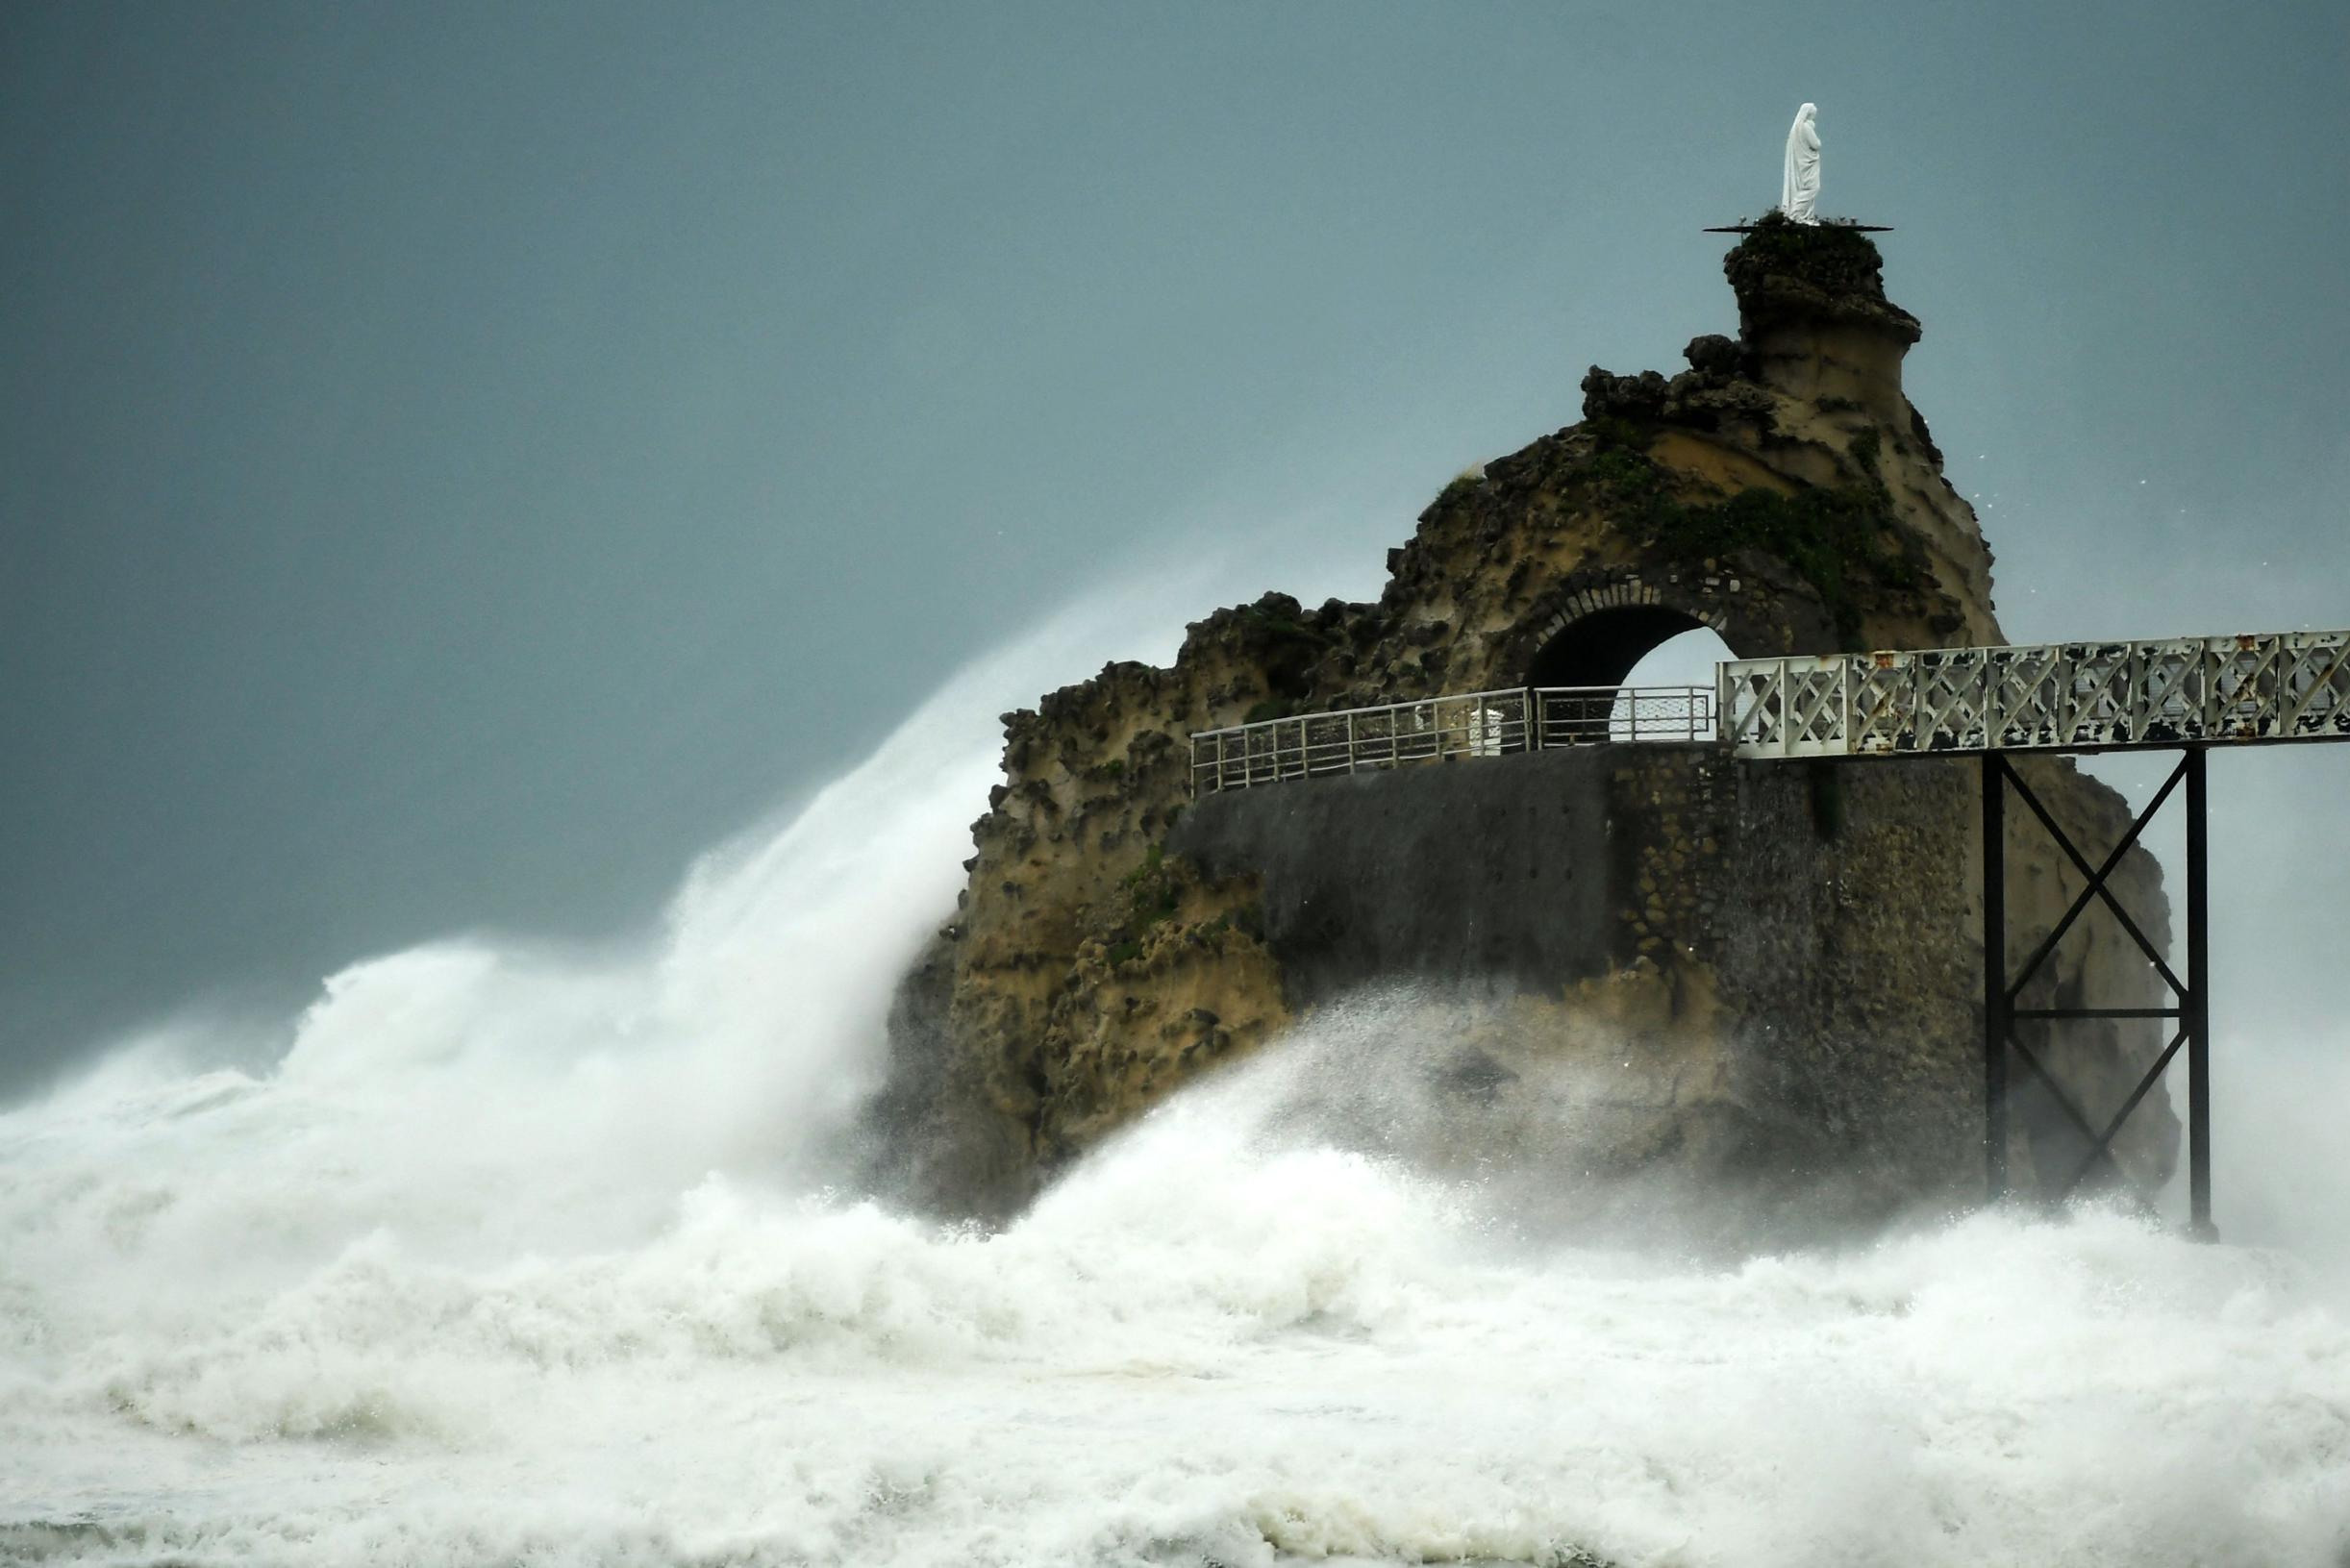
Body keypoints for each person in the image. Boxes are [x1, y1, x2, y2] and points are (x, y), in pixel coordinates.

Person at [1782, 103, 1821, 223]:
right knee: (1812, 188)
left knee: (1805, 188)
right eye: (1813, 115)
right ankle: (1796, 213)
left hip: (1802, 163)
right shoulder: (1805, 127)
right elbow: (1816, 144)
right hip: (1806, 165)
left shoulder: (1796, 128)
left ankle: (1802, 214)